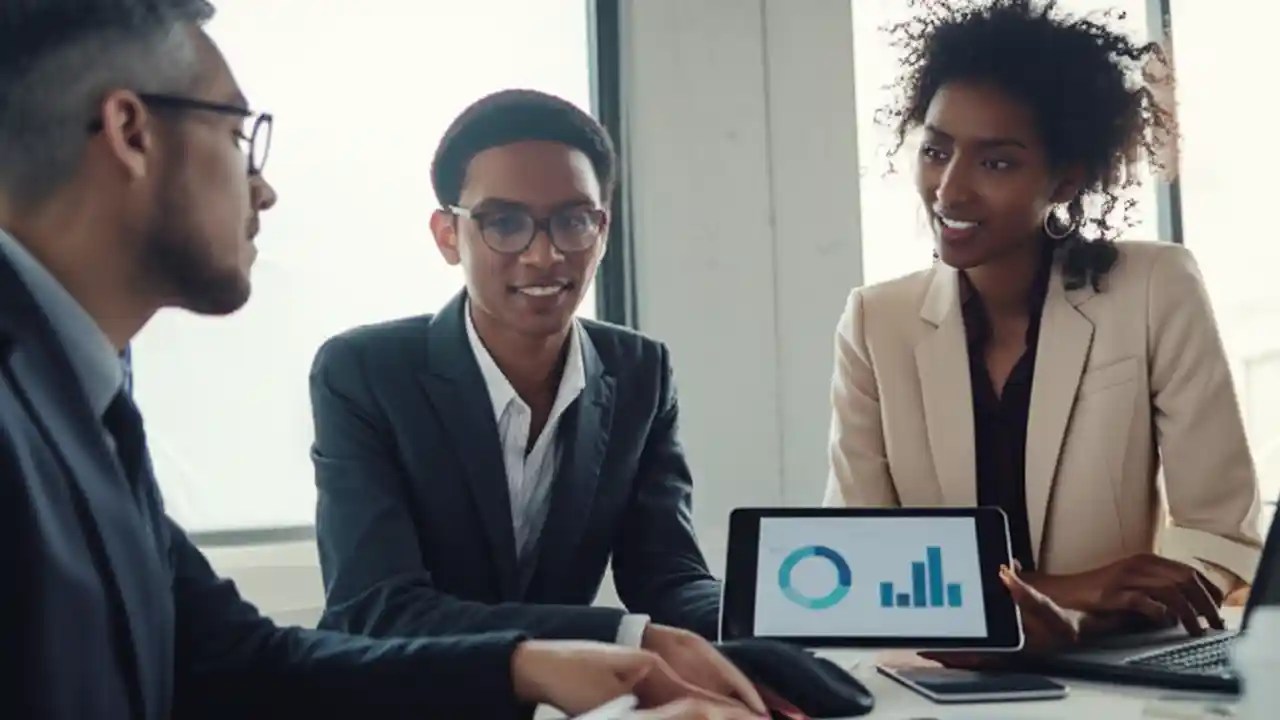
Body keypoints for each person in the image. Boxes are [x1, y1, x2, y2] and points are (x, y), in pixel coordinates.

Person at [0, 3, 757, 719]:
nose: (262, 189)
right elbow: (366, 612)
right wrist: (612, 640)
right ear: (131, 132)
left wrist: (529, 664)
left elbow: (246, 663)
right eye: (239, 138)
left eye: (572, 221)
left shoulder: (90, 398)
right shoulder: (40, 403)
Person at [309, 87, 767, 712]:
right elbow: (378, 608)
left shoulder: (640, 372)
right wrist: (626, 636)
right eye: (503, 222)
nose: (544, 253)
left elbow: (667, 577)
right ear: (448, 235)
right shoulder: (364, 372)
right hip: (399, 702)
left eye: (574, 220)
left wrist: (762, 622)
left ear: (602, 229)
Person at [823, 0, 1263, 642]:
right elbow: (858, 563)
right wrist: (1064, 591)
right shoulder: (875, 323)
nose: (950, 189)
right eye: (937, 150)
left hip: (1117, 663)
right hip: (941, 670)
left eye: (996, 162)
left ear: (1065, 179)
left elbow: (1220, 533)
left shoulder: (1154, 289)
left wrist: (1094, 614)